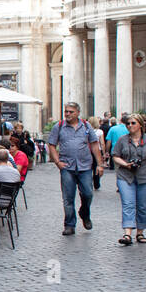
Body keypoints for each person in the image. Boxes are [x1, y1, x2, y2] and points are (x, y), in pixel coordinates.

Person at [48, 101, 104, 236]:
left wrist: (100, 164)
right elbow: (51, 145)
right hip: (67, 166)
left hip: (85, 166)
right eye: (66, 111)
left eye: (70, 112)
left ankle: (84, 213)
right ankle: (69, 224)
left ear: (78, 113)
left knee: (88, 193)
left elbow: (94, 144)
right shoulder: (59, 126)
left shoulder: (86, 125)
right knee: (68, 197)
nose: (67, 114)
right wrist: (57, 162)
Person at [112, 114, 146, 245]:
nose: (130, 126)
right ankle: (127, 234)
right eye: (128, 124)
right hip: (125, 176)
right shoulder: (122, 140)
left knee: (142, 205)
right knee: (128, 204)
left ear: (141, 125)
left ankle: (140, 233)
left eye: (133, 123)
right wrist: (125, 164)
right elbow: (115, 156)